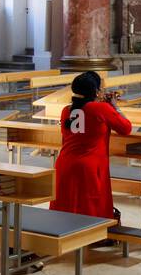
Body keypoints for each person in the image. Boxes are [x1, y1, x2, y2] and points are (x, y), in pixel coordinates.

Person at [51, 71, 132, 221]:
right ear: (95, 91)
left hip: (65, 163)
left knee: (66, 206)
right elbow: (126, 128)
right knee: (89, 209)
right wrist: (114, 107)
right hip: (90, 166)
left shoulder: (66, 110)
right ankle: (91, 238)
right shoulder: (100, 109)